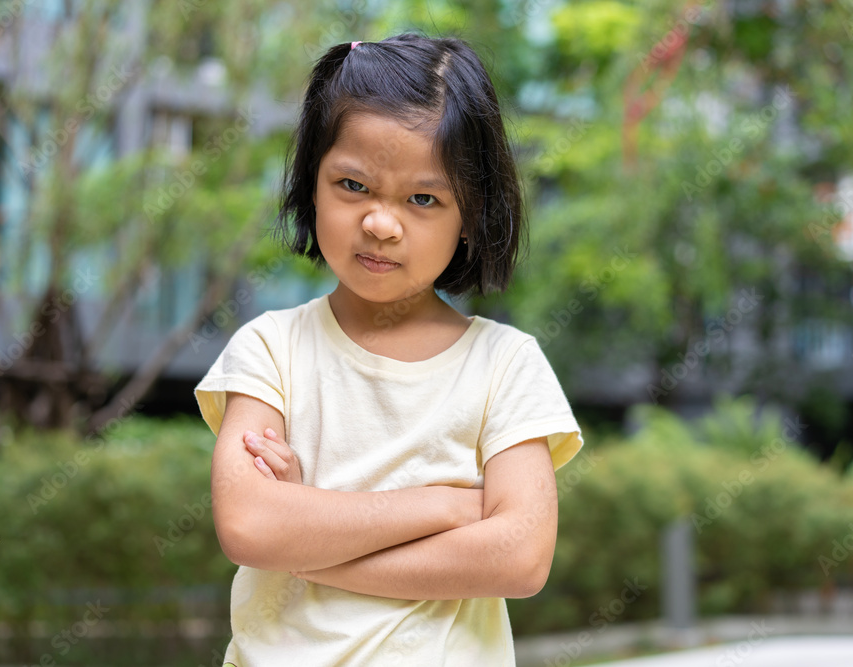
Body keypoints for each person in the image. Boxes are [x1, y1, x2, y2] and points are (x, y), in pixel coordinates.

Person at [194, 32, 583, 666]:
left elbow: (520, 557)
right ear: (310, 183)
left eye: (423, 198)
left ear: (472, 216)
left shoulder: (505, 365)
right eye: (353, 185)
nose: (381, 222)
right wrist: (443, 506)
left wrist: (311, 542)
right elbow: (250, 526)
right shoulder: (270, 349)